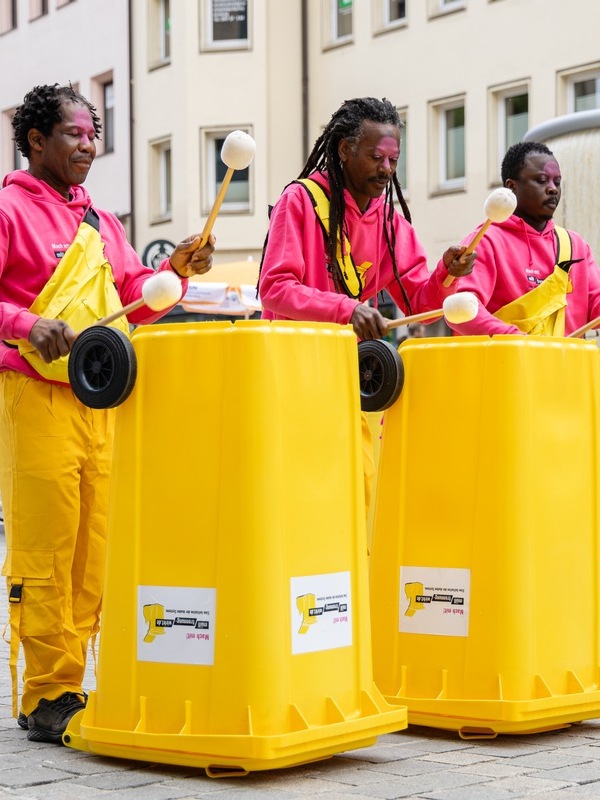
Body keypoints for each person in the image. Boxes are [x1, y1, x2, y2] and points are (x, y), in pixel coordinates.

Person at [0, 84, 215, 744]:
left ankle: (78, 679)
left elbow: (132, 301)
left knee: (96, 552)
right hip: (34, 398)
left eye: (94, 132)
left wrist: (175, 272)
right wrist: (28, 322)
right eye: (75, 132)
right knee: (47, 549)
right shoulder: (8, 208)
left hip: (99, 400)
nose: (90, 143)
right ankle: (46, 693)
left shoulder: (102, 222)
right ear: (37, 141)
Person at [258, 96, 476, 512]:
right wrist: (347, 309)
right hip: (290, 377)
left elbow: (419, 301)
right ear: (345, 150)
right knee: (297, 500)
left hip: (345, 380)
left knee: (356, 496)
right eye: (377, 157)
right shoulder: (301, 201)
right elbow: (275, 288)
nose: (387, 170)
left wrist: (447, 273)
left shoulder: (390, 221)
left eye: (394, 159)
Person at [444, 141, 600, 337]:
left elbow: (596, 306)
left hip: (567, 366)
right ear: (512, 186)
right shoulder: (484, 241)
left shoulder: (575, 245)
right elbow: (462, 313)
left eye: (557, 182)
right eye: (542, 180)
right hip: (505, 365)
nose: (553, 189)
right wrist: (517, 340)